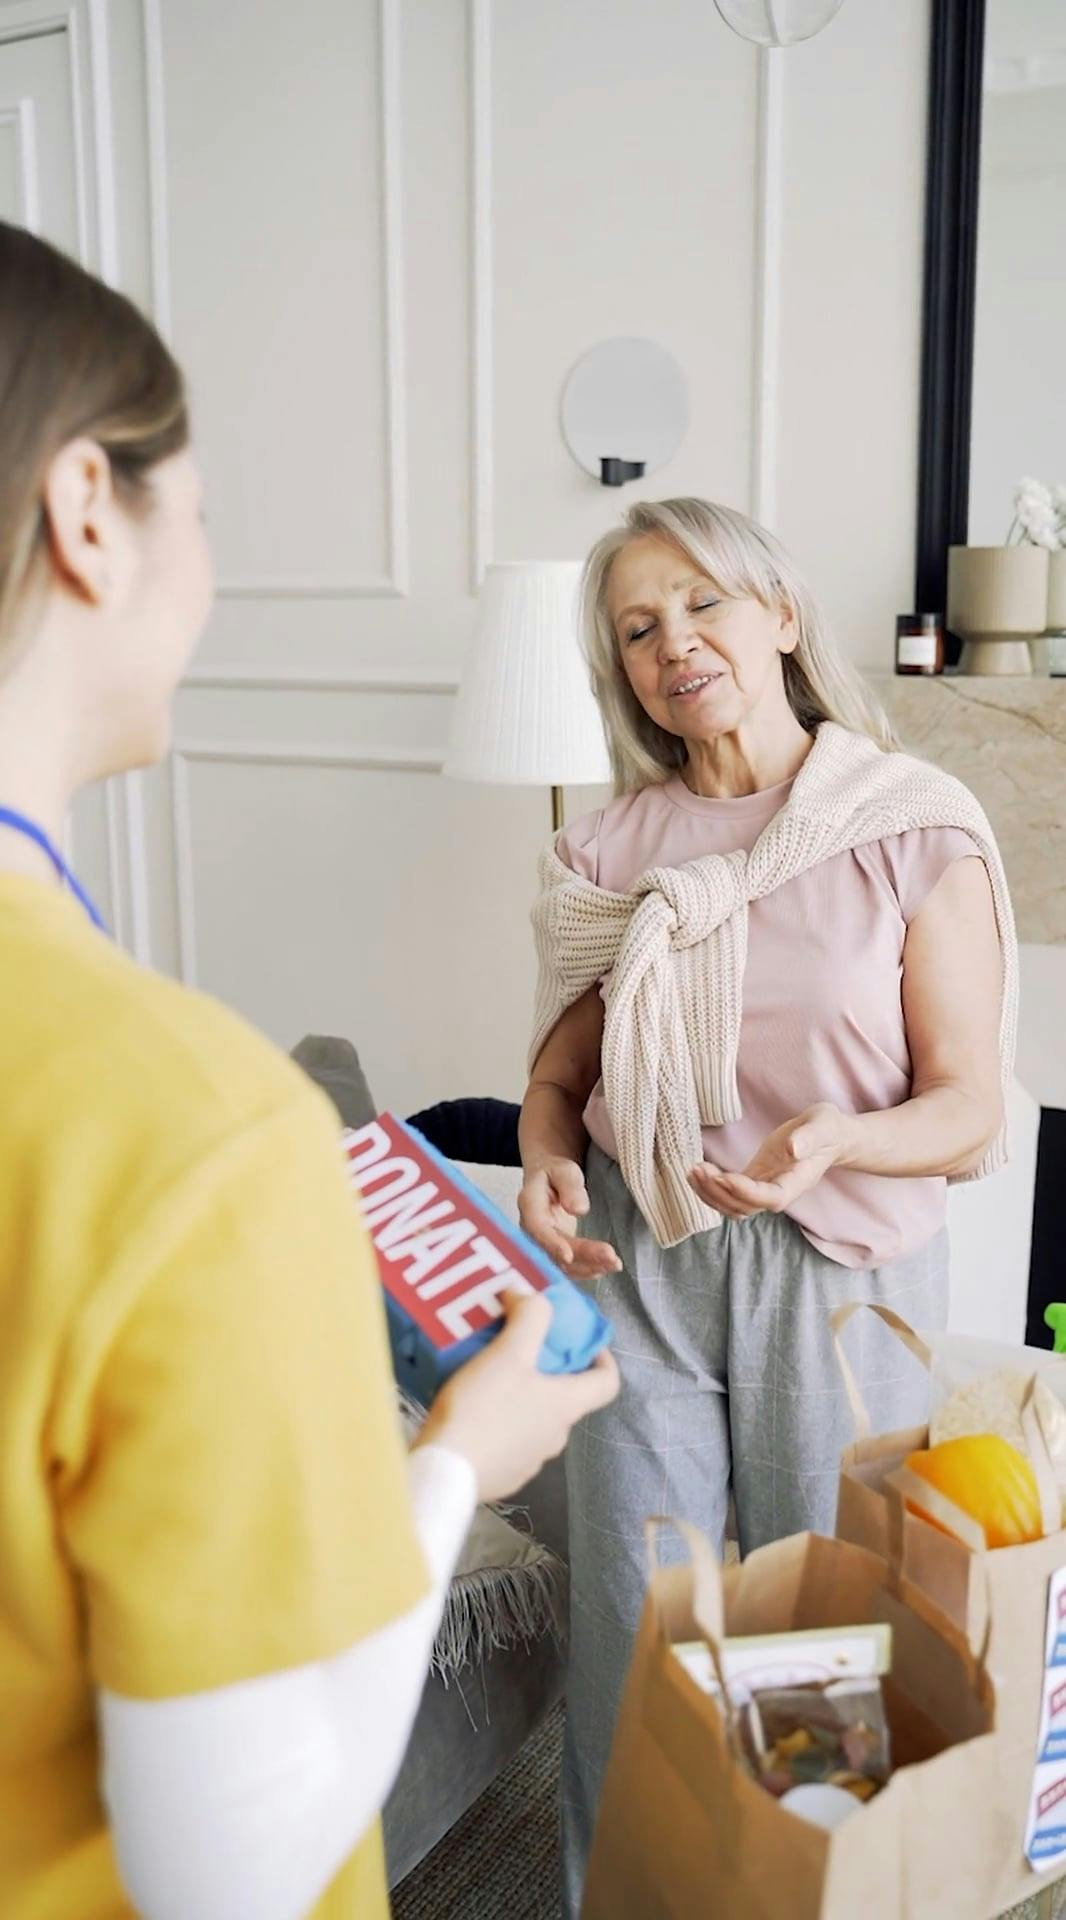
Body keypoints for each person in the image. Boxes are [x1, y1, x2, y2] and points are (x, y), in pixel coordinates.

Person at [0, 219, 618, 1920]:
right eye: (199, 510)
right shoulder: (188, 1131)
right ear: (85, 511)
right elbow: (232, 1862)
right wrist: (456, 1463)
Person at [516, 496, 1015, 1915]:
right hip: (640, 1258)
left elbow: (970, 1105)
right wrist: (544, 1157)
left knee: (823, 1639)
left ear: (781, 617)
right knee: (634, 1629)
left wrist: (838, 1138)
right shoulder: (607, 852)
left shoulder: (907, 826)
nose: (673, 644)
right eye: (637, 627)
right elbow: (557, 1078)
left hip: (838, 1267)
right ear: (621, 669)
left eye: (702, 604)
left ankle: (817, 1894)